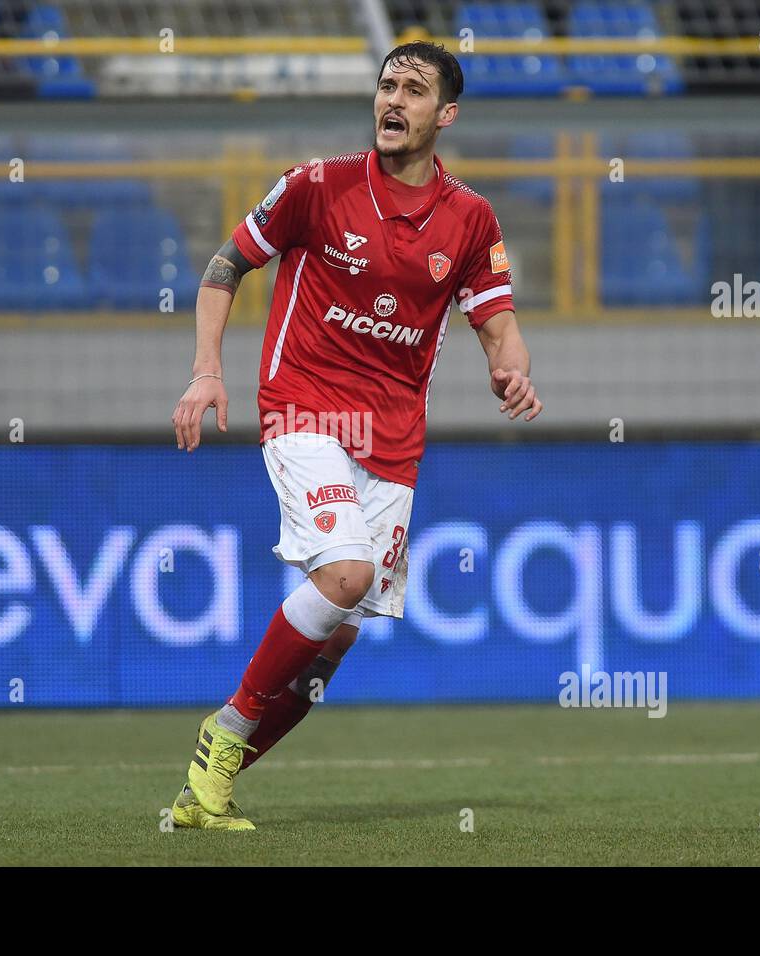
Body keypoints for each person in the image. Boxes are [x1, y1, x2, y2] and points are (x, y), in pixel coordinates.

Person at [169, 41, 543, 831]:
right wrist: (206, 371)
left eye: (412, 89)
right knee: (344, 573)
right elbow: (222, 267)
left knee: (331, 647)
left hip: (394, 441)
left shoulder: (470, 218)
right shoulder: (317, 185)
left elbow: (496, 320)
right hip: (305, 408)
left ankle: (210, 789)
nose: (392, 101)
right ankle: (225, 731)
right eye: (385, 86)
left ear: (446, 115)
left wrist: (512, 368)